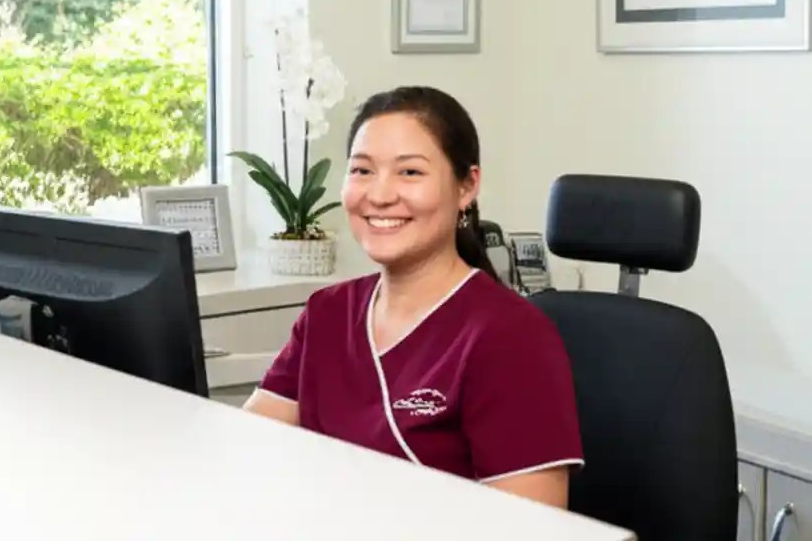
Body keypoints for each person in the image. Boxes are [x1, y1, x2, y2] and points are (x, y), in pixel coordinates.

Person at [243, 86, 583, 508]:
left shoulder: (511, 337)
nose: (380, 195)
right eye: (362, 171)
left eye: (410, 173)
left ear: (467, 186)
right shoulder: (327, 313)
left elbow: (537, 531)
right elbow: (248, 450)